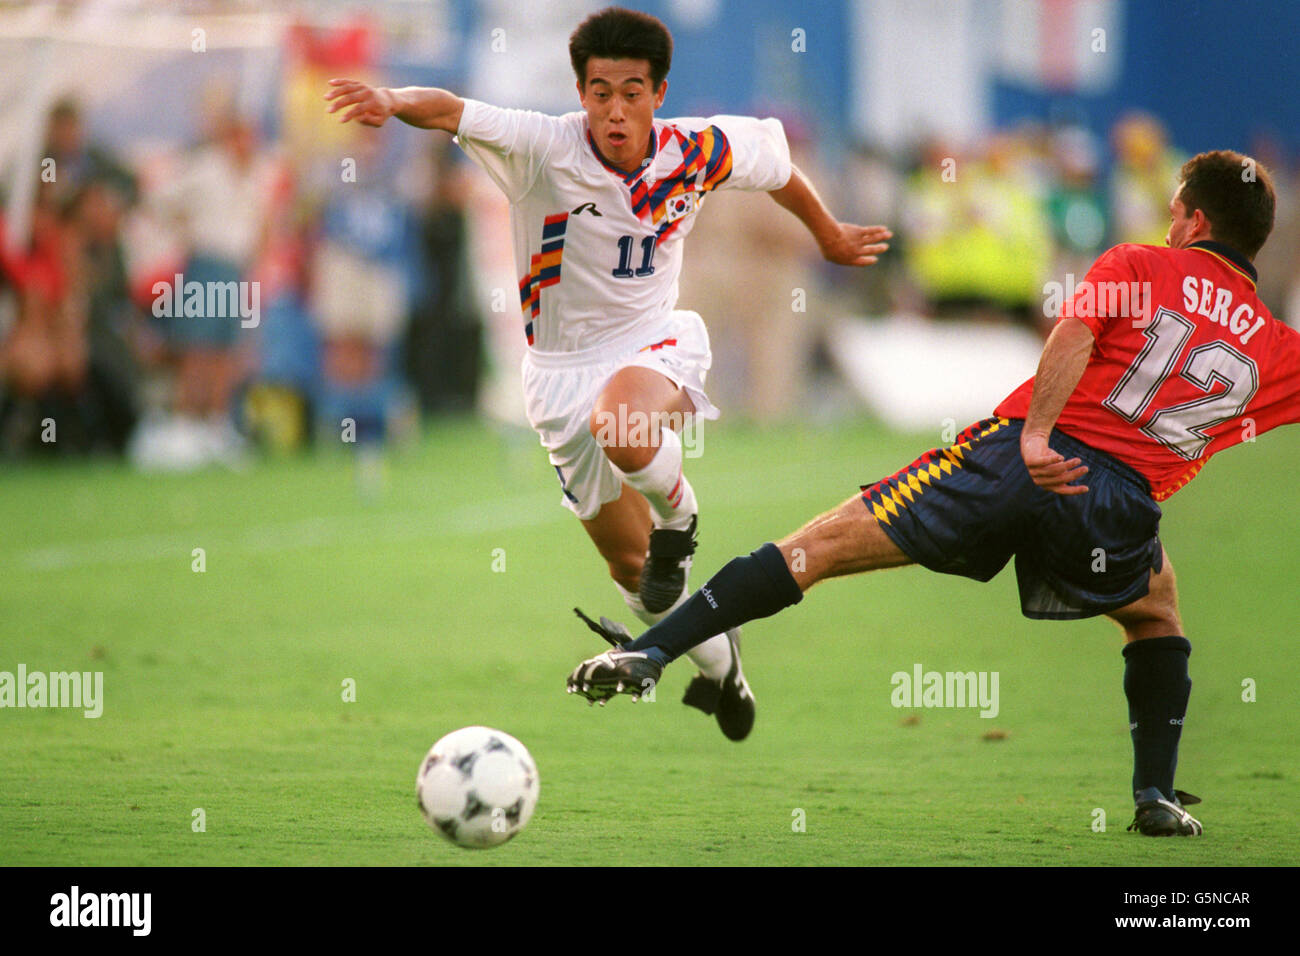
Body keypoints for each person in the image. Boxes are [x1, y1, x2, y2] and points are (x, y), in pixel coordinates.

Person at [567, 149, 1300, 835]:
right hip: (1117, 510)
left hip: (1018, 460)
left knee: (816, 548)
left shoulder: (1141, 263)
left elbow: (1075, 333)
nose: (1170, 222)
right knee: (1157, 613)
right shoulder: (1273, 346)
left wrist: (1040, 435)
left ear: (1196, 221)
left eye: (1176, 211)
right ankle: (1155, 795)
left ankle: (654, 653)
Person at [326, 7, 890, 741]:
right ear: (581, 93)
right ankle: (724, 670)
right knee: (640, 586)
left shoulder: (697, 147)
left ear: (659, 92)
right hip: (556, 375)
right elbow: (452, 110)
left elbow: (779, 167)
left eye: (630, 91)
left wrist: (829, 235)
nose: (613, 109)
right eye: (599, 92)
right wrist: (395, 101)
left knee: (622, 427)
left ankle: (680, 518)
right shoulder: (544, 146)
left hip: (653, 343)